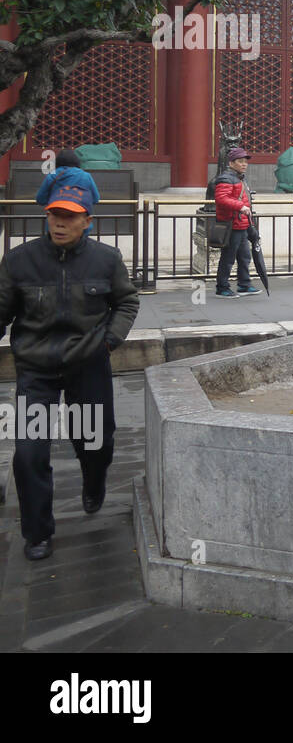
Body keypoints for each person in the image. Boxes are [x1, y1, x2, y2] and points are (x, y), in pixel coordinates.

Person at [0, 183, 140, 561]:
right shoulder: (19, 260)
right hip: (36, 369)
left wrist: (109, 341)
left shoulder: (106, 259)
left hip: (87, 364)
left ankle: (94, 483)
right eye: (54, 215)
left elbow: (126, 301)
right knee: (28, 454)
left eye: (69, 217)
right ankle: (37, 532)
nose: (59, 224)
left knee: (96, 443)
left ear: (86, 221)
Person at [213, 147, 261, 298]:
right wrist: (240, 206)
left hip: (241, 224)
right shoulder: (226, 178)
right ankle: (222, 287)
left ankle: (244, 284)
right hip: (231, 224)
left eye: (245, 162)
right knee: (228, 258)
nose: (244, 164)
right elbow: (221, 199)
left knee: (244, 256)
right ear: (231, 163)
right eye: (240, 161)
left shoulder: (239, 178)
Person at [35, 150, 101, 233]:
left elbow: (40, 200)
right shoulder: (85, 176)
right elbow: (95, 199)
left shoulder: (52, 176)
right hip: (79, 222)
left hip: (56, 223)